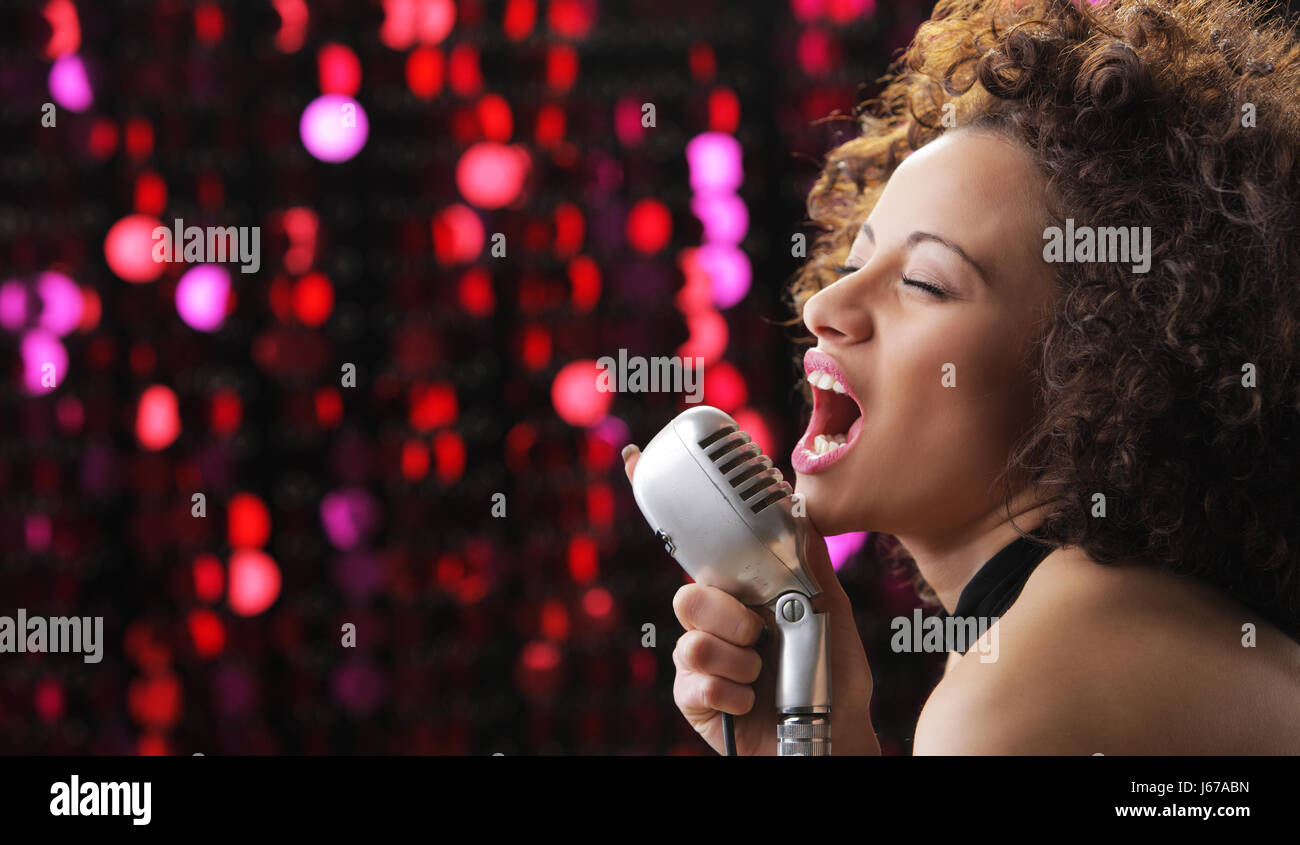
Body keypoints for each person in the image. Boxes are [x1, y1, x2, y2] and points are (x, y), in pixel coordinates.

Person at [623, 0, 1300, 755]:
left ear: (1099, 376)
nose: (824, 304)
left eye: (924, 282)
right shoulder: (1107, 626)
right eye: (853, 262)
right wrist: (819, 735)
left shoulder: (1024, 689)